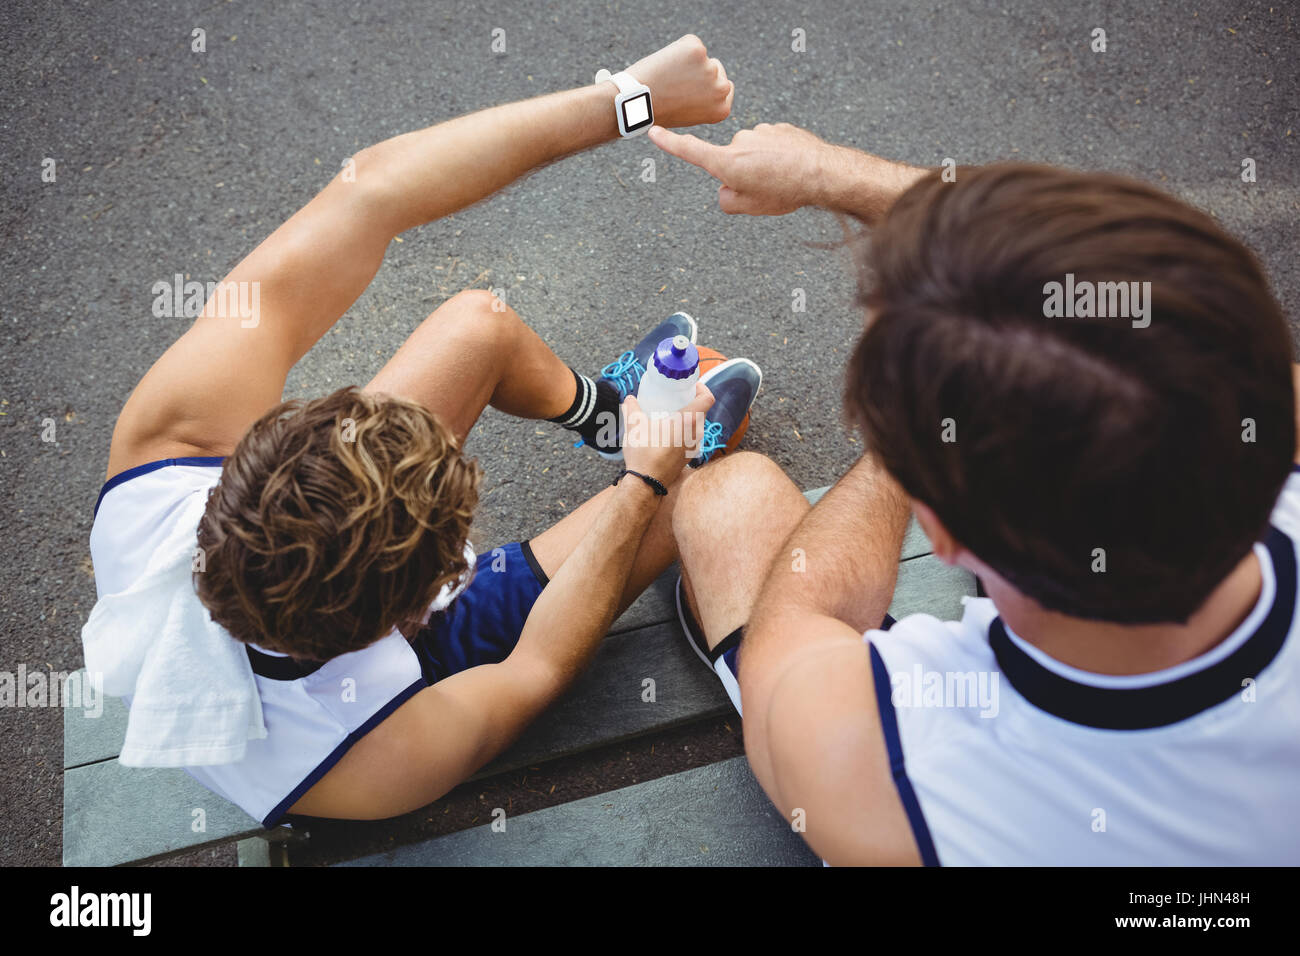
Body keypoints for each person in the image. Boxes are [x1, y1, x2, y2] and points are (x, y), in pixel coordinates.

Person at [85, 35, 787, 829]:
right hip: (378, 696)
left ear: (271, 442)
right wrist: (645, 482)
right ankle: (652, 459)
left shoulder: (169, 443)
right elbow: (539, 667)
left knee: (475, 328)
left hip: (323, 619)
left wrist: (630, 98)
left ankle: (605, 416)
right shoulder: (365, 762)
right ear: (418, 609)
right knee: (697, 494)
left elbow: (371, 191)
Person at [650, 121, 1300, 864]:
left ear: (944, 533)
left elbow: (796, 629)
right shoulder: (1265, 399)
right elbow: (1140, 307)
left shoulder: (896, 761)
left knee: (727, 502)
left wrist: (922, 444)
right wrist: (827, 175)